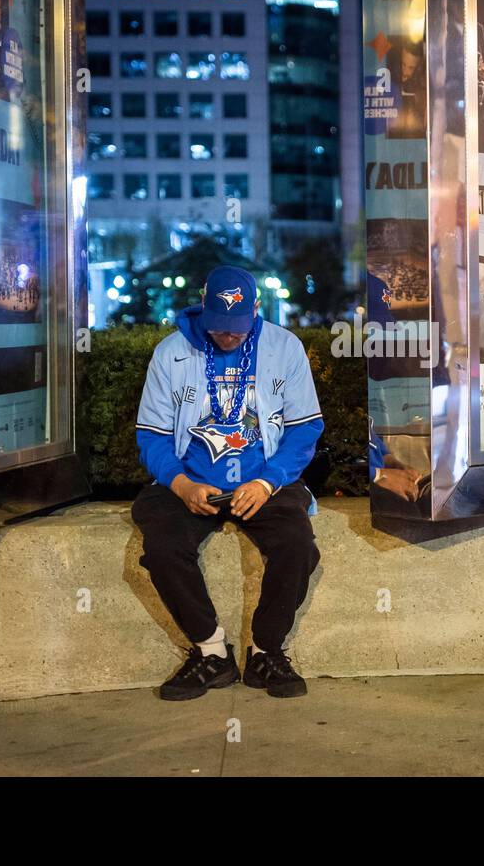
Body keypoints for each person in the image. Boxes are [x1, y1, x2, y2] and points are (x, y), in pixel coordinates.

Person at [132, 266, 324, 700]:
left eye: (238, 329)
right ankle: (210, 652)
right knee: (162, 549)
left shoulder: (284, 347)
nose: (229, 337)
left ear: (256, 309)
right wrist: (180, 484)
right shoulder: (171, 352)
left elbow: (304, 428)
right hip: (191, 482)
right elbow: (153, 435)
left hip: (264, 481)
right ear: (203, 307)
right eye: (219, 329)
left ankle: (265, 652)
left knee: (297, 545)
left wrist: (269, 482)